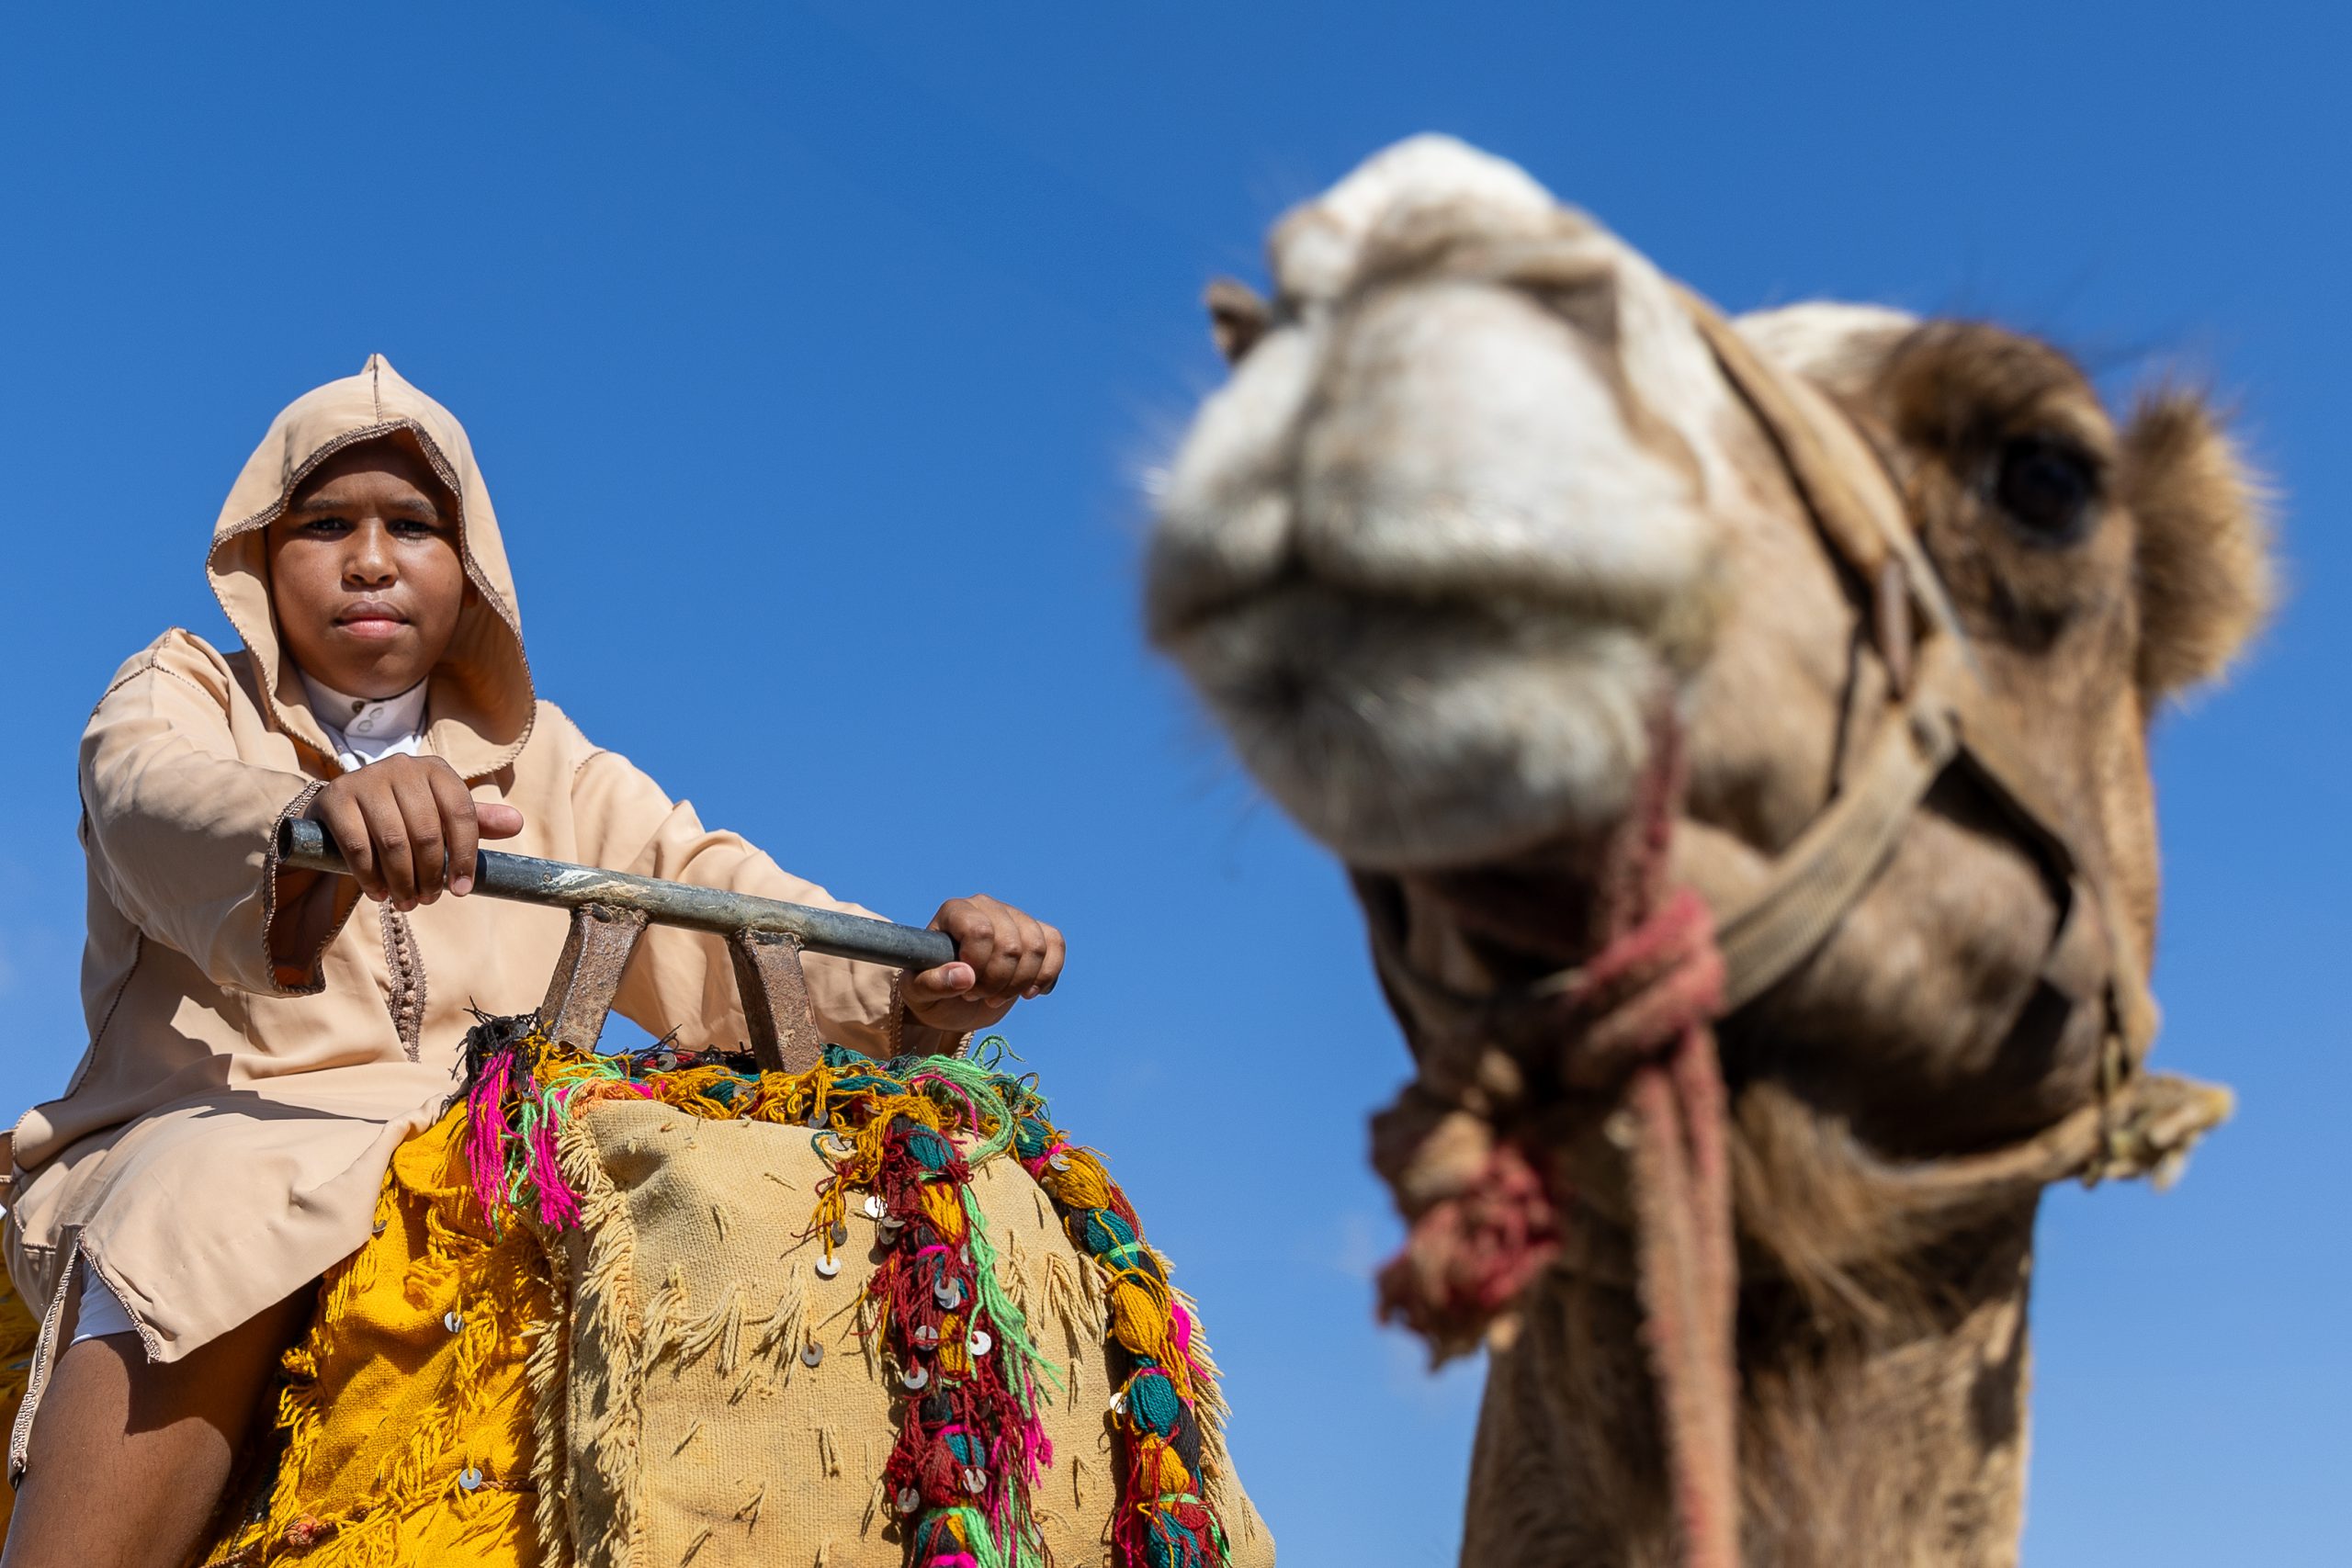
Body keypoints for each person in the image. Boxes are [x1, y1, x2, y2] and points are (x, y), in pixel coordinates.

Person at [0, 356, 1066, 1568]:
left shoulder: (548, 762)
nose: (369, 559)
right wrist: (317, 817)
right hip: (225, 1114)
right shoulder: (189, 689)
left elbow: (711, 889)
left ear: (472, 573)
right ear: (260, 554)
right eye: (325, 525)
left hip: (492, 1134)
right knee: (198, 1228)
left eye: (412, 527)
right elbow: (147, 798)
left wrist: (915, 974)